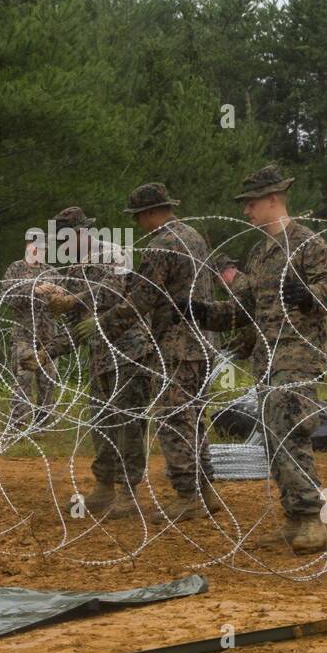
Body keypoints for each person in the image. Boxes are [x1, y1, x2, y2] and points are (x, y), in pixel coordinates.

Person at [180, 165, 327, 553]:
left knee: (289, 432)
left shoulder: (307, 243)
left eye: (251, 203)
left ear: (274, 199)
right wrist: (203, 312)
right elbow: (244, 308)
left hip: (297, 355)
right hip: (266, 357)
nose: (245, 211)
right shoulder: (258, 252)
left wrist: (307, 292)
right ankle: (295, 517)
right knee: (273, 436)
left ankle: (311, 519)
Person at [79, 183, 221, 522]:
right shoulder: (194, 236)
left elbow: (141, 300)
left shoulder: (161, 245)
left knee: (174, 420)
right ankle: (207, 490)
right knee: (194, 418)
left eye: (139, 216)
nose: (138, 224)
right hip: (204, 339)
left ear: (151, 213)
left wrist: (104, 325)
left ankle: (187, 496)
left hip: (176, 344)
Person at [41, 206, 153, 519]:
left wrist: (72, 299)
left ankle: (129, 493)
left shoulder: (114, 254)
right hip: (101, 356)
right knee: (100, 422)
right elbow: (77, 325)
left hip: (130, 349)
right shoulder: (74, 270)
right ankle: (104, 487)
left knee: (127, 422)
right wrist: (47, 352)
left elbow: (110, 294)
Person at [1, 229, 59, 429]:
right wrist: (32, 290)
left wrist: (57, 294)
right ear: (27, 245)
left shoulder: (51, 272)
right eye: (34, 244)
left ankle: (42, 425)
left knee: (47, 381)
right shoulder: (15, 269)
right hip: (24, 335)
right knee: (23, 378)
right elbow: (7, 297)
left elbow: (64, 300)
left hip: (48, 336)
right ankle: (17, 423)